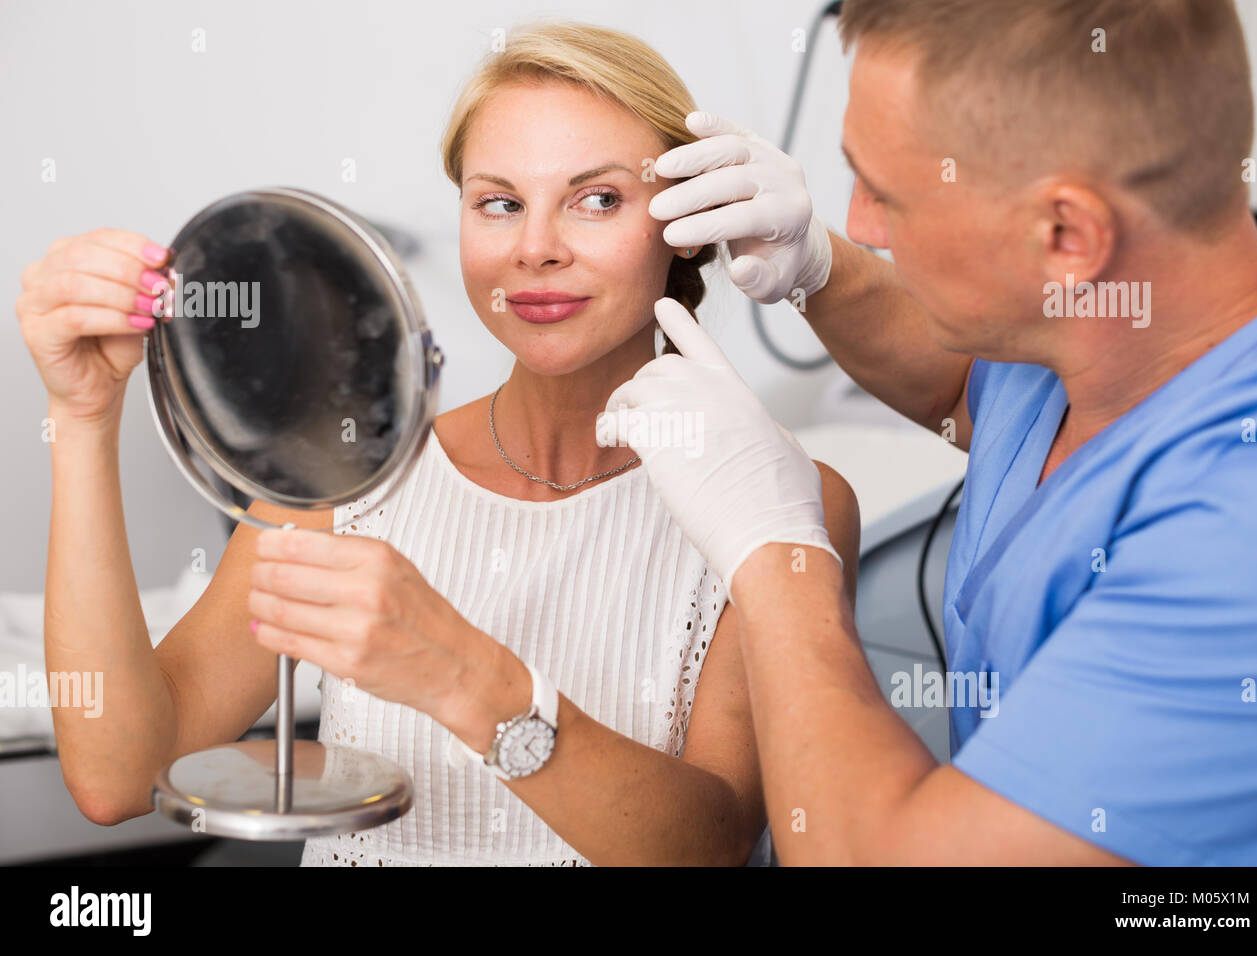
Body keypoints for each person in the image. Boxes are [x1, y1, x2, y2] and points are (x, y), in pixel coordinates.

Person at [16, 19, 861, 866]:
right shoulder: (345, 476)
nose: (535, 250)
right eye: (500, 202)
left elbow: (707, 848)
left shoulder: (786, 503)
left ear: (685, 224)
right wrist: (83, 420)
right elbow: (119, 774)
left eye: (597, 199)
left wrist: (460, 671)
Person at [601, 0, 1257, 864]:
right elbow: (974, 390)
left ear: (1067, 235)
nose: (863, 224)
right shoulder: (1105, 331)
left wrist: (776, 555)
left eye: (887, 194)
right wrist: (818, 269)